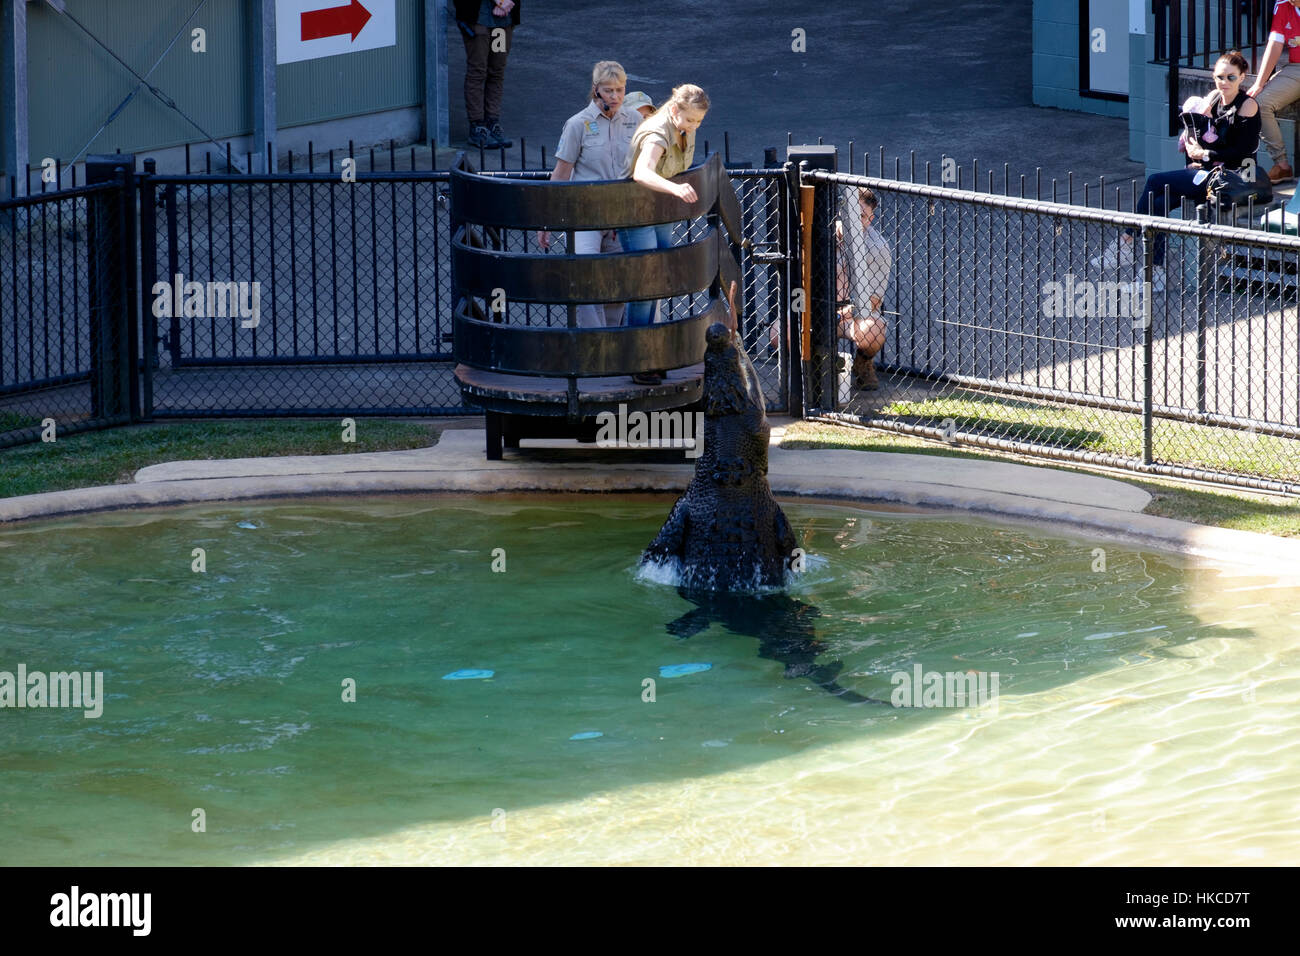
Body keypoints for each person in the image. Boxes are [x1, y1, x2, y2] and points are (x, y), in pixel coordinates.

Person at [1091, 50, 1259, 285]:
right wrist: (1192, 145)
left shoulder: (1247, 106)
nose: (1224, 82)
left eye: (1231, 77)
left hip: (1232, 178)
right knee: (1157, 203)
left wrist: (1206, 154)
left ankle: (1126, 241)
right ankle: (1156, 271)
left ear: (1242, 77)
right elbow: (1194, 128)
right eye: (1220, 77)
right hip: (1205, 173)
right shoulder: (1212, 99)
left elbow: (1243, 151)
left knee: (1155, 181)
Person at [537, 61, 642, 328]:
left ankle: (611, 345)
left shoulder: (635, 120)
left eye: (620, 90)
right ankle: (593, 347)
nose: (616, 97)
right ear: (596, 90)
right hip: (585, 214)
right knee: (585, 280)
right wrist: (546, 219)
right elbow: (561, 173)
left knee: (617, 284)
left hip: (622, 213)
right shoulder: (577, 125)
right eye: (609, 91)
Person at [621, 83, 711, 385]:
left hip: (660, 209)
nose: (693, 126)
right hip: (636, 209)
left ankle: (652, 355)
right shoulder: (657, 130)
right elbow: (642, 172)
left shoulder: (686, 126)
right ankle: (638, 359)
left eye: (698, 122)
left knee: (658, 282)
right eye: (689, 120)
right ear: (674, 110)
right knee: (645, 283)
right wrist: (675, 188)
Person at [836, 187, 891, 391]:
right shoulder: (821, 233)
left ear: (871, 219)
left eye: (862, 216)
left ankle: (862, 363)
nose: (856, 220)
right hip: (815, 307)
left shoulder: (878, 247)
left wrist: (842, 314)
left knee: (874, 329)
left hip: (852, 315)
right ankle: (807, 368)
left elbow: (874, 301)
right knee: (779, 334)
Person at [454, 0, 519, 149]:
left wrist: (506, 3)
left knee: (496, 70)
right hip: (477, 16)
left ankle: (492, 121)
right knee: (478, 71)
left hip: (502, 19)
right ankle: (477, 126)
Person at [1247, 0, 1300, 183]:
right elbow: (1275, 44)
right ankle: (1282, 165)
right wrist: (1260, 83)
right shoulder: (1283, 5)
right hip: (1296, 68)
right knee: (1259, 103)